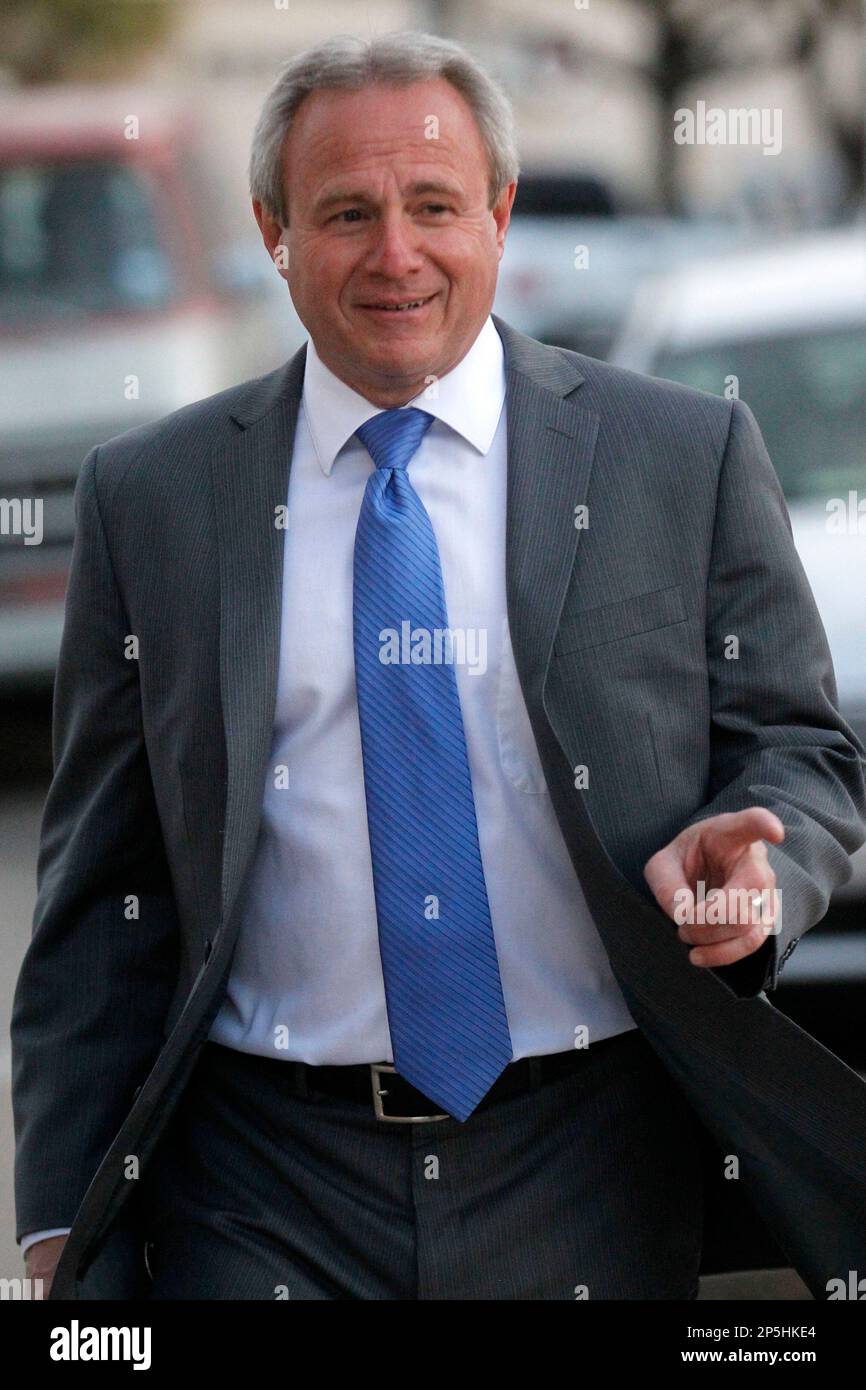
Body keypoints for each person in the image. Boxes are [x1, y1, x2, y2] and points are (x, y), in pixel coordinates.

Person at [13, 31, 866, 1302]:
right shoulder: (154, 498)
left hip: (590, 1153)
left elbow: (798, 749)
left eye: (432, 206)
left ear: (500, 214)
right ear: (272, 230)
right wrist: (54, 1229)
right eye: (346, 213)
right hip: (258, 1175)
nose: (395, 255)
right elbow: (99, 891)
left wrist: (760, 869)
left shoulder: (674, 458)